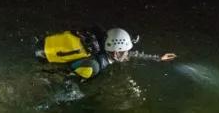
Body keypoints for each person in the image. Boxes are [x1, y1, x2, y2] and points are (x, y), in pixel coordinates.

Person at [37, 27, 176, 81]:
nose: (128, 53)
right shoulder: (93, 67)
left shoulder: (103, 43)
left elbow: (131, 54)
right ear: (115, 53)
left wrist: (158, 58)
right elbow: (66, 80)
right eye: (124, 51)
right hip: (46, 60)